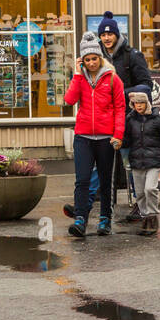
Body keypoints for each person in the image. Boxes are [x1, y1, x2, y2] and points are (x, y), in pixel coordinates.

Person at [63, 32, 124, 238]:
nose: (91, 63)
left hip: (107, 138)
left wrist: (118, 135)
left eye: (94, 59)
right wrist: (77, 75)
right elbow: (69, 100)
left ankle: (105, 219)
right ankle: (80, 219)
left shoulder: (113, 79)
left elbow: (120, 109)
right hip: (83, 137)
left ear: (100, 58)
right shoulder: (80, 78)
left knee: (106, 181)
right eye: (87, 59)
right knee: (82, 180)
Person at [94, 12, 153, 221]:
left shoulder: (132, 56)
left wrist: (120, 93)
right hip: (104, 118)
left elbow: (147, 84)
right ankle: (89, 201)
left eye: (110, 34)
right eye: (103, 35)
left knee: (132, 163)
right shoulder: (96, 58)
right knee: (98, 161)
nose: (107, 38)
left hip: (129, 119)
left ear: (117, 35)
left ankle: (140, 204)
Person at [123, 90, 160, 236]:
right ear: (132, 104)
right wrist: (118, 142)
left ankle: (153, 217)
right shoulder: (130, 119)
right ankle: (145, 216)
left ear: (147, 103)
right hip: (137, 160)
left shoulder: (157, 119)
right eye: (136, 103)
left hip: (154, 160)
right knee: (140, 193)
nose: (139, 106)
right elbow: (127, 139)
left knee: (150, 189)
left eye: (141, 102)